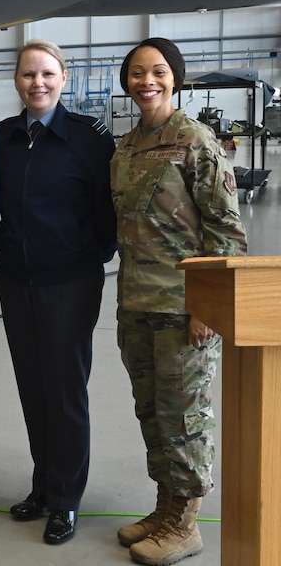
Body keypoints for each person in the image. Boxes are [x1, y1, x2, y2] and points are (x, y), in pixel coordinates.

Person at [110, 37, 246, 566]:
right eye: (138, 72)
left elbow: (226, 231)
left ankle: (185, 525)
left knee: (185, 419)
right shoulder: (125, 147)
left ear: (175, 78)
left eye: (159, 71)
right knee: (154, 414)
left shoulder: (195, 141)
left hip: (183, 308)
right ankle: (165, 509)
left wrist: (208, 308)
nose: (147, 81)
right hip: (136, 305)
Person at [0, 40, 116, 545]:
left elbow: (107, 212)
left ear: (63, 77)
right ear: (16, 81)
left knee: (64, 391)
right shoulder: (2, 137)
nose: (37, 83)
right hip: (16, 279)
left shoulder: (89, 139)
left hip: (69, 281)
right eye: (28, 75)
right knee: (33, 387)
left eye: (47, 74)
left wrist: (85, 256)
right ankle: (44, 485)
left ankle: (66, 499)